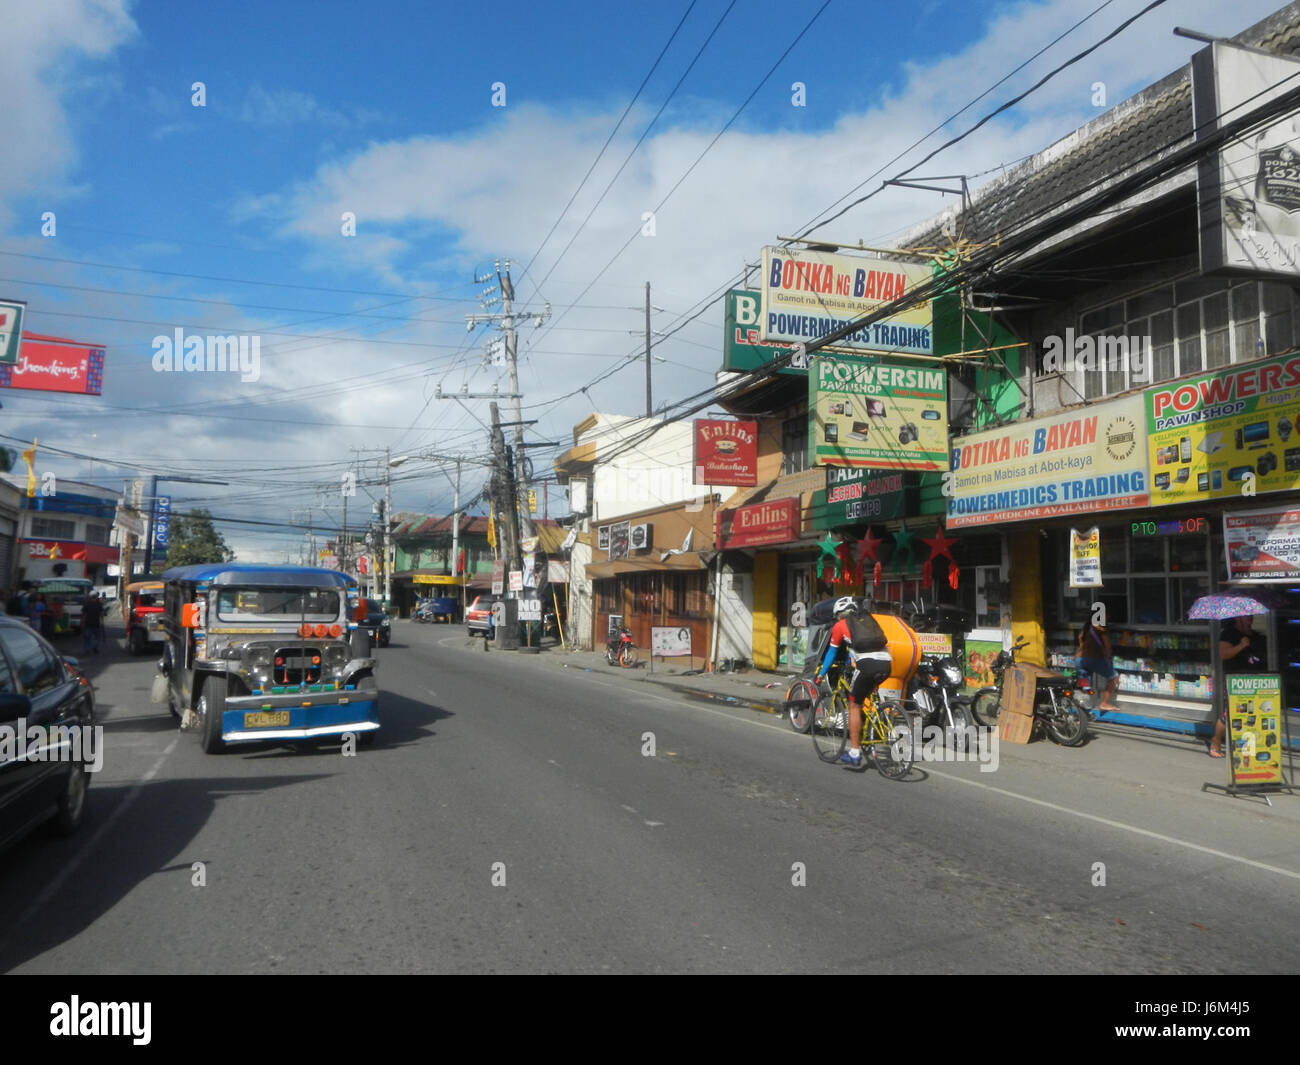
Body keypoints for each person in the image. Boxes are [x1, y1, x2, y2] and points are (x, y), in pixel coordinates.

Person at [813, 596, 905, 768]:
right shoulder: (868, 620)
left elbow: (832, 654)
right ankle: (877, 725)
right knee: (868, 690)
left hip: (867, 665)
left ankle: (855, 753)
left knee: (854, 705)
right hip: (886, 664)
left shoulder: (840, 626)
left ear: (839, 614)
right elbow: (857, 649)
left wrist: (820, 674)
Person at [1209, 615, 1266, 758]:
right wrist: (1241, 646)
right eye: (1247, 617)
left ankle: (1249, 745)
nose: (1250, 619)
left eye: (1251, 616)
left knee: (1253, 714)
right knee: (1230, 713)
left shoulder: (1253, 634)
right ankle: (1216, 742)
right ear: (1238, 618)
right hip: (1236, 681)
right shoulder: (1229, 633)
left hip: (1254, 680)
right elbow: (1223, 654)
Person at [1076, 618, 1121, 712]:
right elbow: (1107, 645)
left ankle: (1082, 712)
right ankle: (1104, 703)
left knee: (1085, 685)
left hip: (1079, 659)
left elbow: (1080, 639)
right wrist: (1108, 658)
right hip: (1093, 658)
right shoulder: (1101, 628)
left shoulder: (1086, 628)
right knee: (1114, 677)